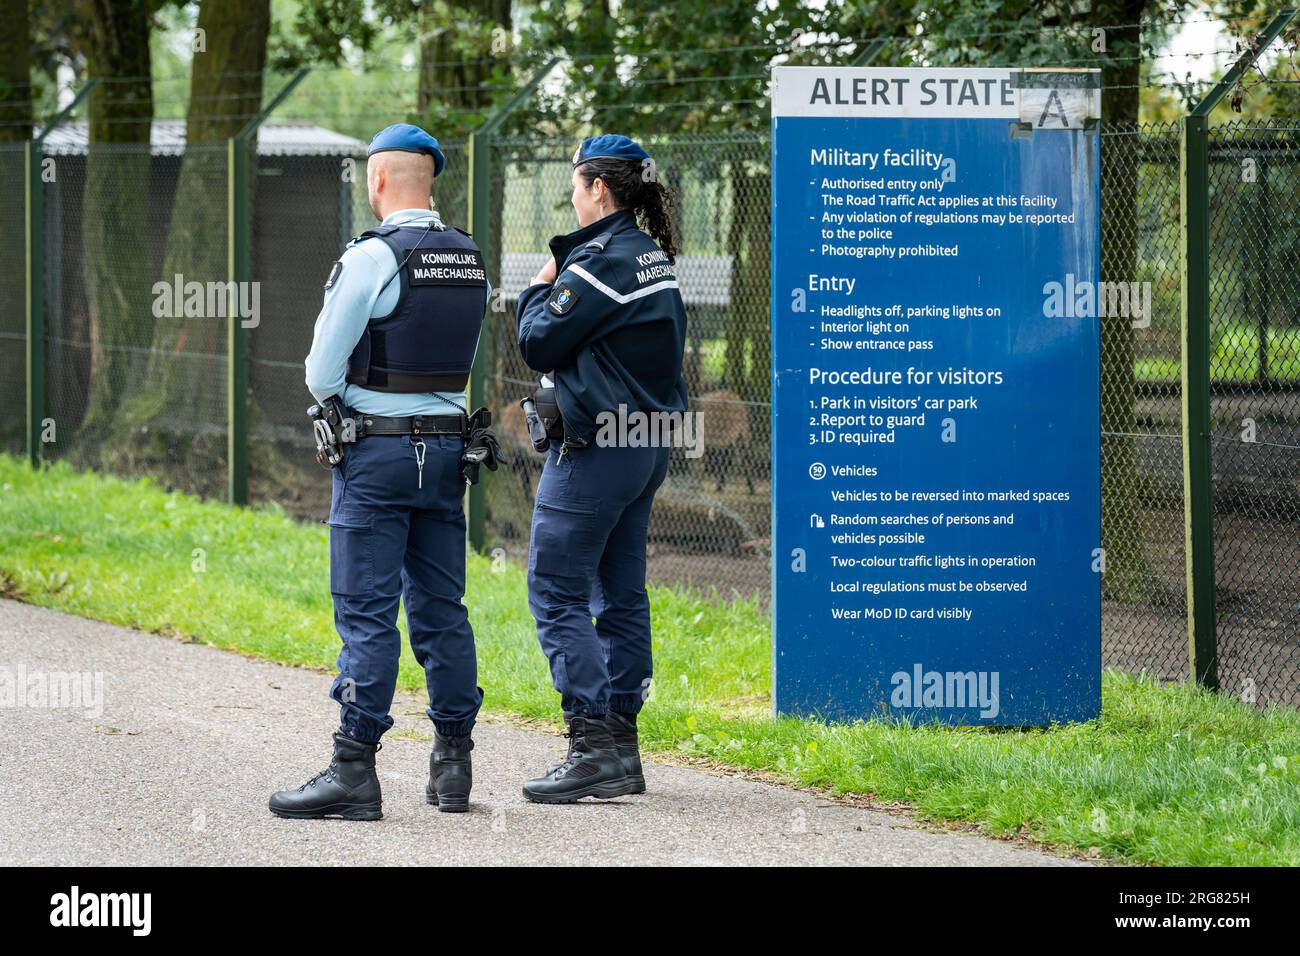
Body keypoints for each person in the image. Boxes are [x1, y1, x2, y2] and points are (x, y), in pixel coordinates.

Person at [269, 123, 491, 820]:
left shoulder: (372, 257)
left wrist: (343, 400)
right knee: (442, 613)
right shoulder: (470, 258)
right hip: (449, 457)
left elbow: (318, 370)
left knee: (367, 615)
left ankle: (353, 770)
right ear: (432, 180)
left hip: (378, 456)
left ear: (378, 180)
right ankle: (453, 766)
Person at [515, 134, 688, 803]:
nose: (572, 196)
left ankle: (589, 747)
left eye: (575, 184)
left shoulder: (600, 259)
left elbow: (537, 341)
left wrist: (536, 289)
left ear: (599, 189)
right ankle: (622, 749)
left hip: (595, 451)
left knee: (555, 592)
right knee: (619, 595)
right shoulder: (652, 256)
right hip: (643, 447)